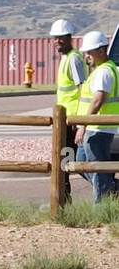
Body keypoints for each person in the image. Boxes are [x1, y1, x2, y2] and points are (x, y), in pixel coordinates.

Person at [75, 30, 118, 202]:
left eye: (90, 52)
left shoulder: (103, 72)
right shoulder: (102, 70)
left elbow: (98, 100)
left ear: (101, 51)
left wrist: (83, 124)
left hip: (98, 128)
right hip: (95, 128)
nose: (87, 55)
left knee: (97, 169)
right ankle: (112, 188)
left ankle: (101, 206)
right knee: (81, 162)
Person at [49, 18, 87, 204]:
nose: (57, 42)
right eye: (55, 38)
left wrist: (79, 121)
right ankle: (65, 198)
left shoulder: (73, 59)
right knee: (64, 160)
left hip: (71, 121)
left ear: (69, 38)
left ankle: (64, 199)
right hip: (64, 120)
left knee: (68, 162)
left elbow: (82, 90)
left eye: (61, 38)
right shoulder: (65, 58)